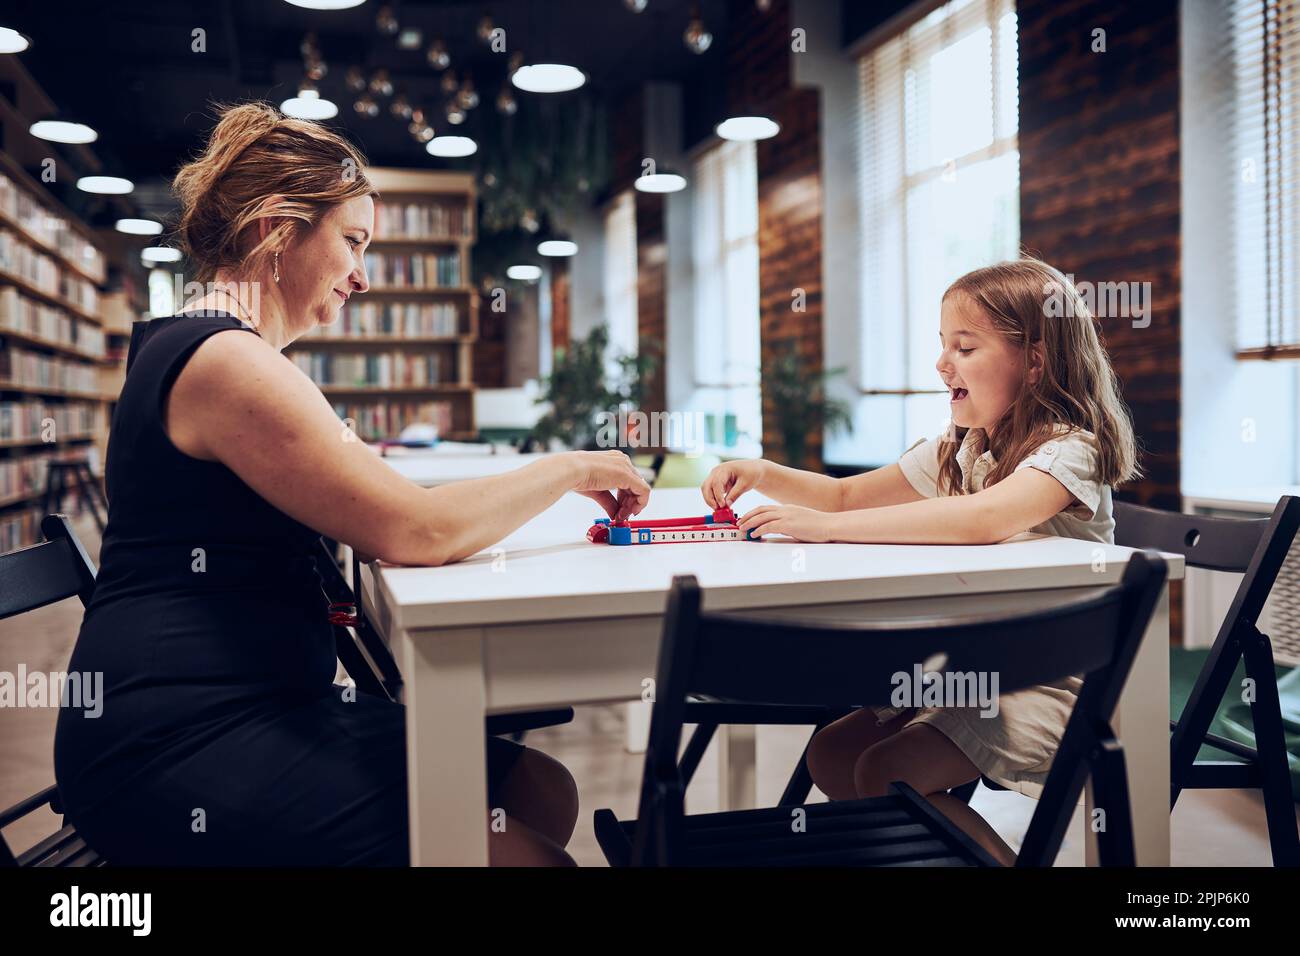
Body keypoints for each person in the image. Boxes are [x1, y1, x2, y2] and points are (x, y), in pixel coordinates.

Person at [54, 102, 651, 866]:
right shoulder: (227, 363)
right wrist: (571, 466)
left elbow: (386, 501)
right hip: (176, 739)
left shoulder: (216, 347)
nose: (363, 277)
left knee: (540, 791)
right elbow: (417, 531)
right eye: (353, 242)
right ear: (277, 231)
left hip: (260, 704)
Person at [701, 258, 1140, 864]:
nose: (941, 364)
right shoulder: (962, 446)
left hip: (1060, 677)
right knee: (831, 753)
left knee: (888, 769)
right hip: (979, 667)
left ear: (1034, 361)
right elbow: (846, 493)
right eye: (942, 346)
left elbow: (983, 521)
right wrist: (765, 473)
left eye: (964, 347)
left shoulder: (1070, 449)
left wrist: (828, 533)